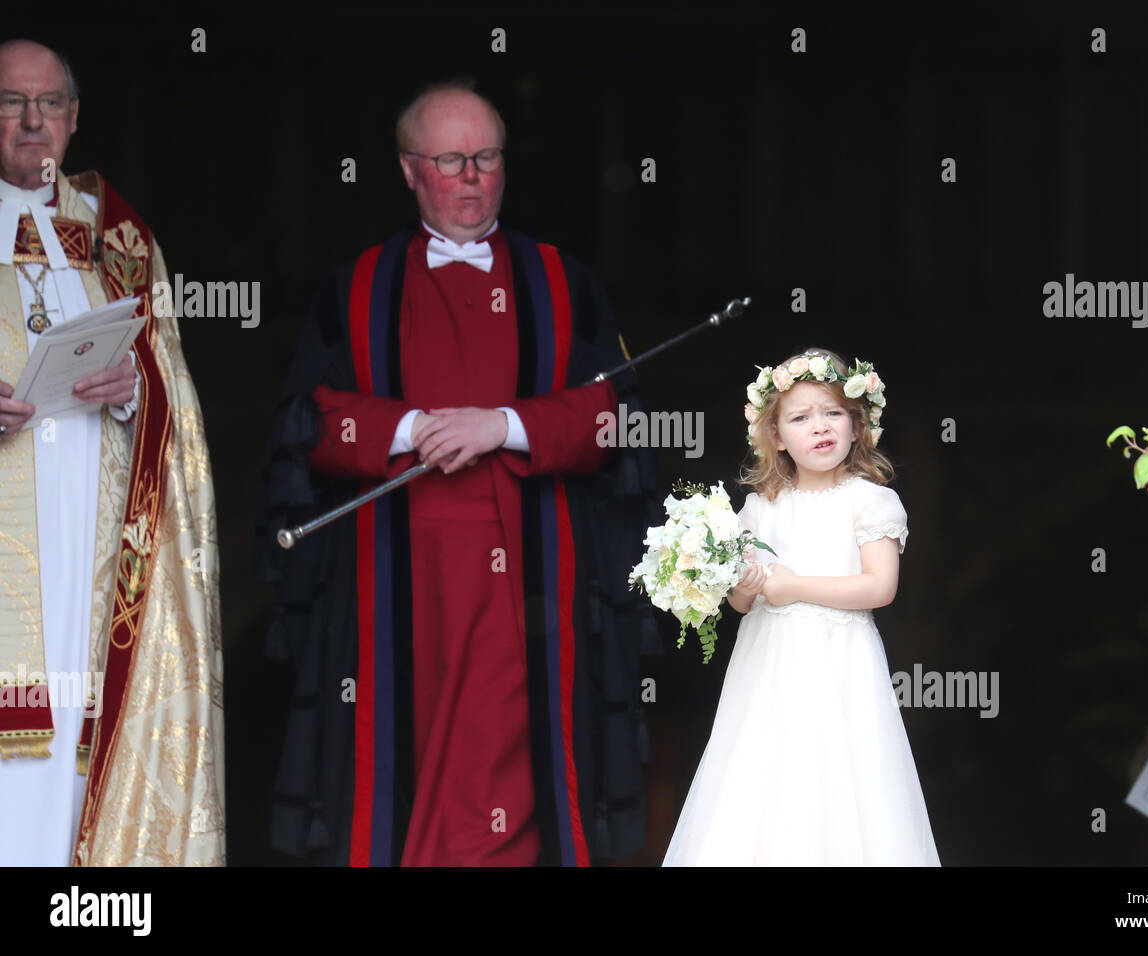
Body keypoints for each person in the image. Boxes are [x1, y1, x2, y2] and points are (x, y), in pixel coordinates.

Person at [259, 79, 659, 866]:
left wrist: (502, 424)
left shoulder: (563, 282)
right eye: (450, 159)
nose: (472, 176)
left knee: (511, 759)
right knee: (403, 760)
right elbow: (306, 422)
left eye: (486, 157)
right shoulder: (355, 288)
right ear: (410, 170)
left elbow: (615, 415)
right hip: (396, 578)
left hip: (532, 575)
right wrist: (409, 427)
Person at [0, 39, 223, 865]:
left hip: (95, 570)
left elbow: (176, 398)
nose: (32, 123)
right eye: (10, 103)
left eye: (49, 103)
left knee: (75, 749)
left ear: (74, 116)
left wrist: (133, 389)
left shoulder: (117, 234)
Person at [662, 348, 940, 865]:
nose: (819, 427)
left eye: (833, 412)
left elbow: (879, 587)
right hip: (769, 664)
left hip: (841, 660)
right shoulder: (760, 505)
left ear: (858, 427)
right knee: (766, 773)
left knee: (839, 773)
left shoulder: (869, 500)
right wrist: (740, 582)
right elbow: (743, 603)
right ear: (775, 436)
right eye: (800, 417)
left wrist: (794, 587)